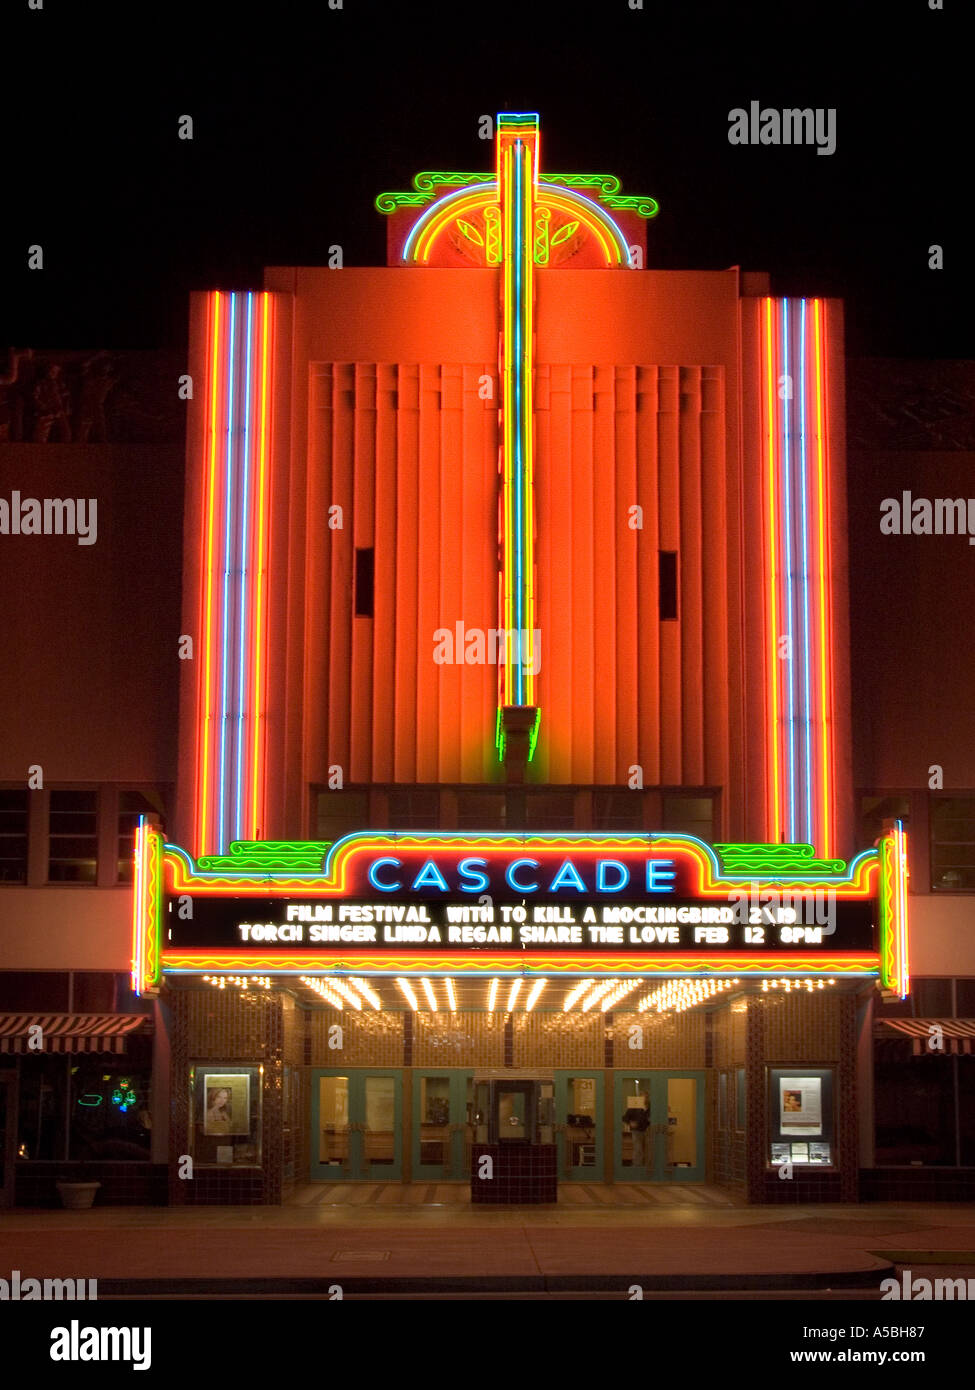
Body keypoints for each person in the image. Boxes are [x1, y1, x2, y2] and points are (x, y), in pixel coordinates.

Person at [622, 1104, 651, 1169]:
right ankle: (637, 1167)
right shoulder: (634, 1107)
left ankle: (647, 1167)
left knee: (648, 1150)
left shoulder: (650, 1108)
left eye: (647, 1095)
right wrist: (630, 1122)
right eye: (644, 1095)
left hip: (648, 1130)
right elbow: (625, 1117)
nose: (646, 1097)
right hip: (637, 1131)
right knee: (638, 1150)